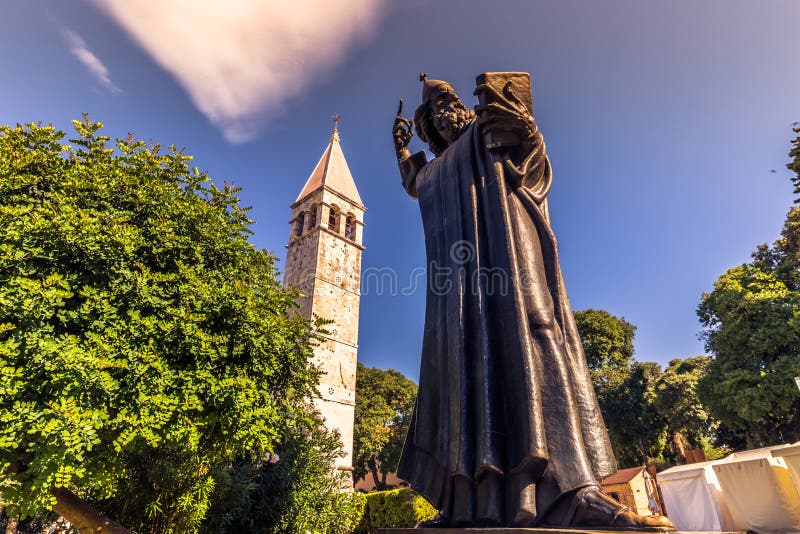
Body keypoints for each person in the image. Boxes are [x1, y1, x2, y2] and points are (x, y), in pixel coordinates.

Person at [392, 73, 674, 529]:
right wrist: (402, 149)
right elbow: (415, 182)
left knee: (537, 337)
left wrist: (525, 128)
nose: (440, 111)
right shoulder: (439, 169)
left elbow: (529, 156)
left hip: (511, 252)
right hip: (461, 294)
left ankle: (575, 492)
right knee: (462, 368)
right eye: (430, 113)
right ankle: (467, 502)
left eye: (445, 98)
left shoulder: (488, 135)